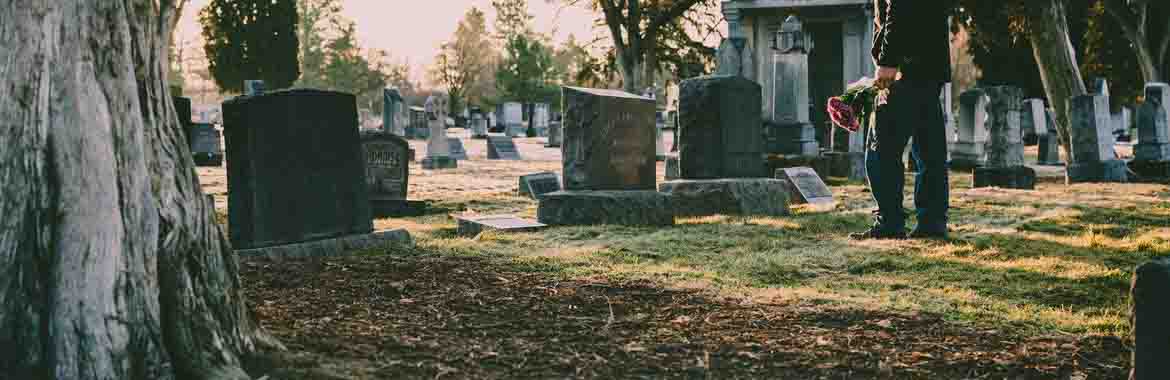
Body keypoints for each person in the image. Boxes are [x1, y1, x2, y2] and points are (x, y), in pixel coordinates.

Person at [851, 0, 952, 240]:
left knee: (881, 148)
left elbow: (899, 7)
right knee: (929, 148)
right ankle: (932, 222)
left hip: (905, 65)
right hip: (930, 65)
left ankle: (890, 222)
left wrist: (887, 61)